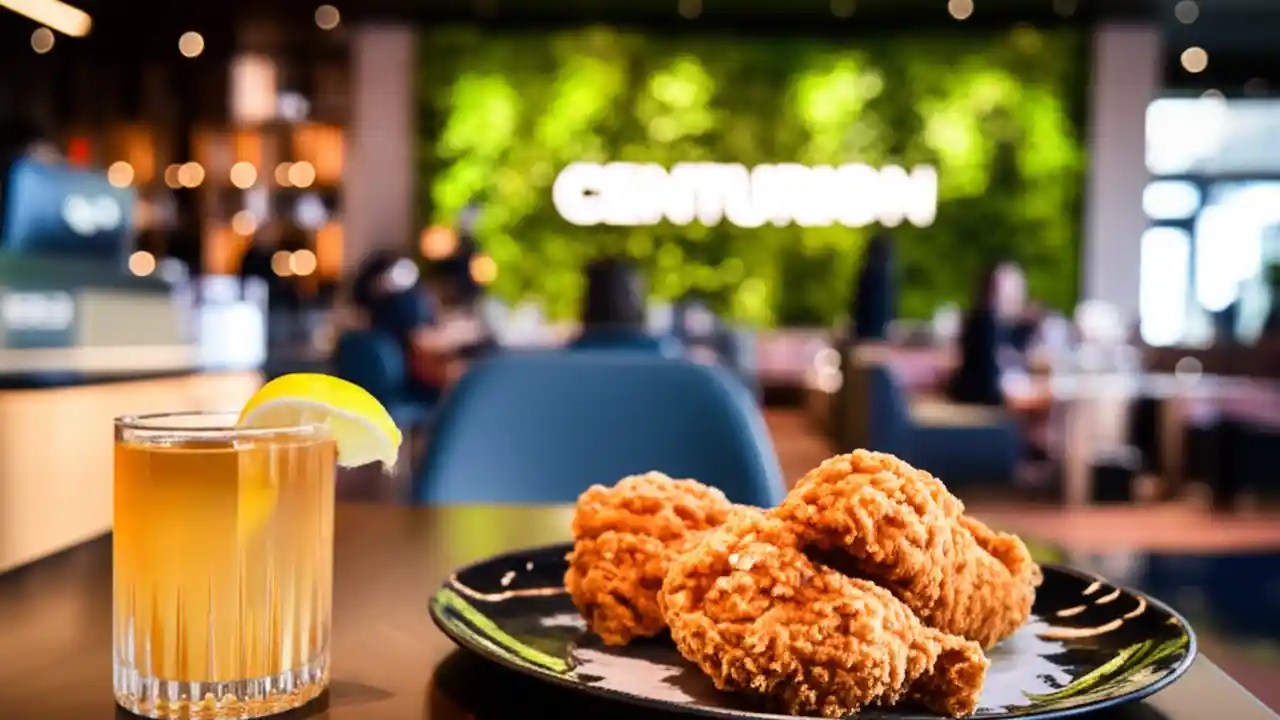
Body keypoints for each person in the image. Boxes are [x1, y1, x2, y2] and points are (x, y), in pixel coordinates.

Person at [947, 261, 1026, 406]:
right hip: (977, 408)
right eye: (1009, 289)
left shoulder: (1004, 324)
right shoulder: (984, 324)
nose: (1015, 296)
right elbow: (988, 381)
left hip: (983, 400)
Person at [850, 232, 895, 343]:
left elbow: (858, 301)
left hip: (866, 331)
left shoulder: (870, 271)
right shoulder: (887, 272)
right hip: (879, 331)